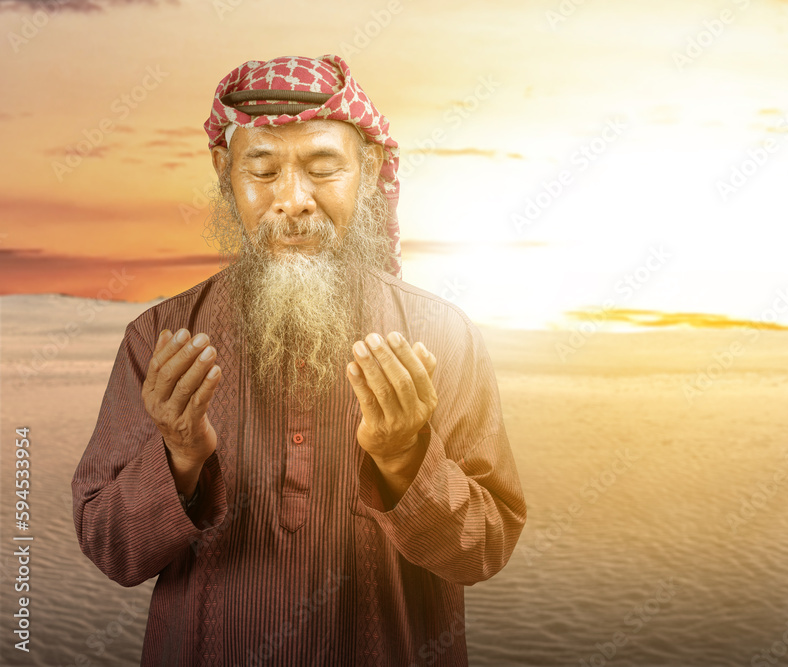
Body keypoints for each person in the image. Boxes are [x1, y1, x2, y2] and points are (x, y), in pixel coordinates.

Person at [71, 53, 527, 666]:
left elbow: (484, 549)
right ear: (223, 171)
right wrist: (177, 459)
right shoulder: (160, 336)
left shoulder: (443, 336)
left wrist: (406, 460)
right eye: (262, 170)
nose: (294, 200)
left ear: (366, 170)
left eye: (322, 168)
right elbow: (110, 550)